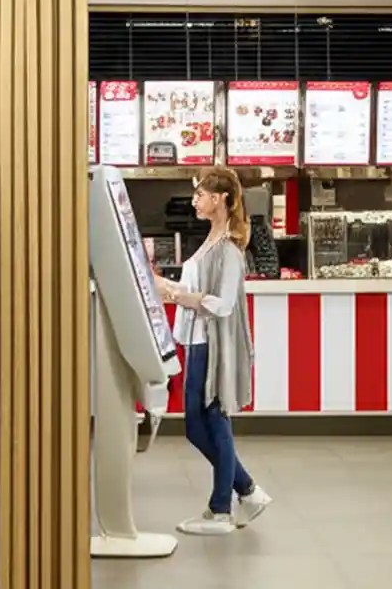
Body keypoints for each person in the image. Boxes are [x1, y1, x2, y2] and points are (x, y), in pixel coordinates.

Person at [155, 166, 272, 535]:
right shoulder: (210, 242)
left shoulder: (230, 250)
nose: (195, 200)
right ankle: (247, 492)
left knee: (211, 420)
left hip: (211, 345)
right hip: (195, 339)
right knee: (199, 425)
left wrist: (179, 295)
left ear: (220, 198)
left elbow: (222, 304)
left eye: (201, 193)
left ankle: (223, 507)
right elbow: (193, 289)